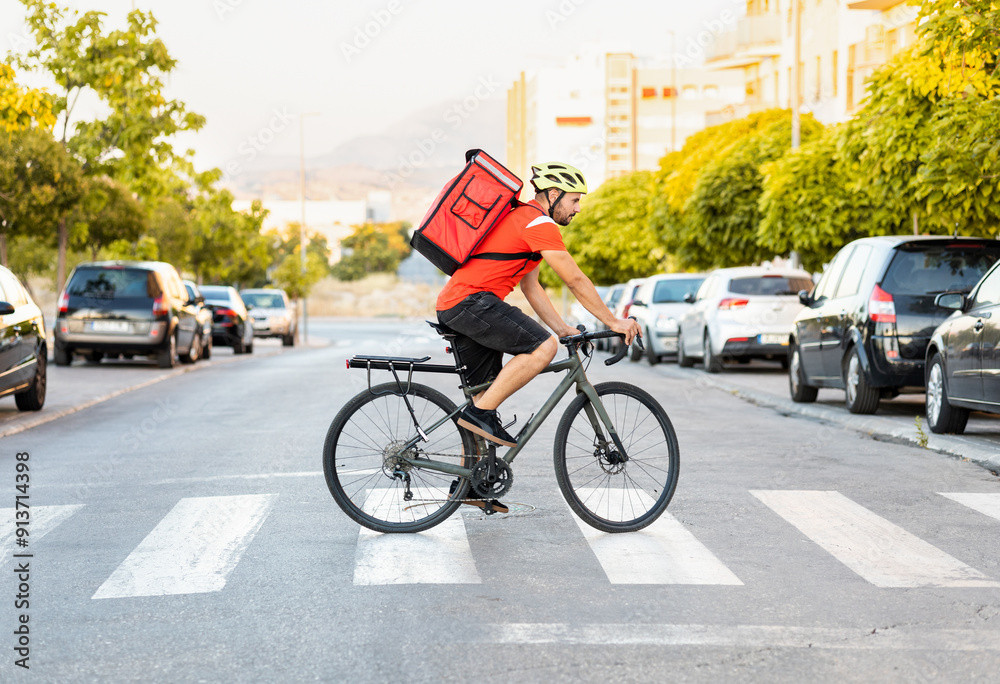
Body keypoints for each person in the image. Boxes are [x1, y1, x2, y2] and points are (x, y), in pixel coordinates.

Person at [436, 161, 641, 449]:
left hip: (460, 304)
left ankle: (472, 489)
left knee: (484, 401)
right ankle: (479, 414)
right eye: (575, 200)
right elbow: (575, 280)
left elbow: (531, 286)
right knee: (543, 348)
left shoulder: (524, 218)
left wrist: (562, 328)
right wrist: (614, 322)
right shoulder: (538, 223)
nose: (578, 208)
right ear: (554, 193)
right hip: (471, 302)